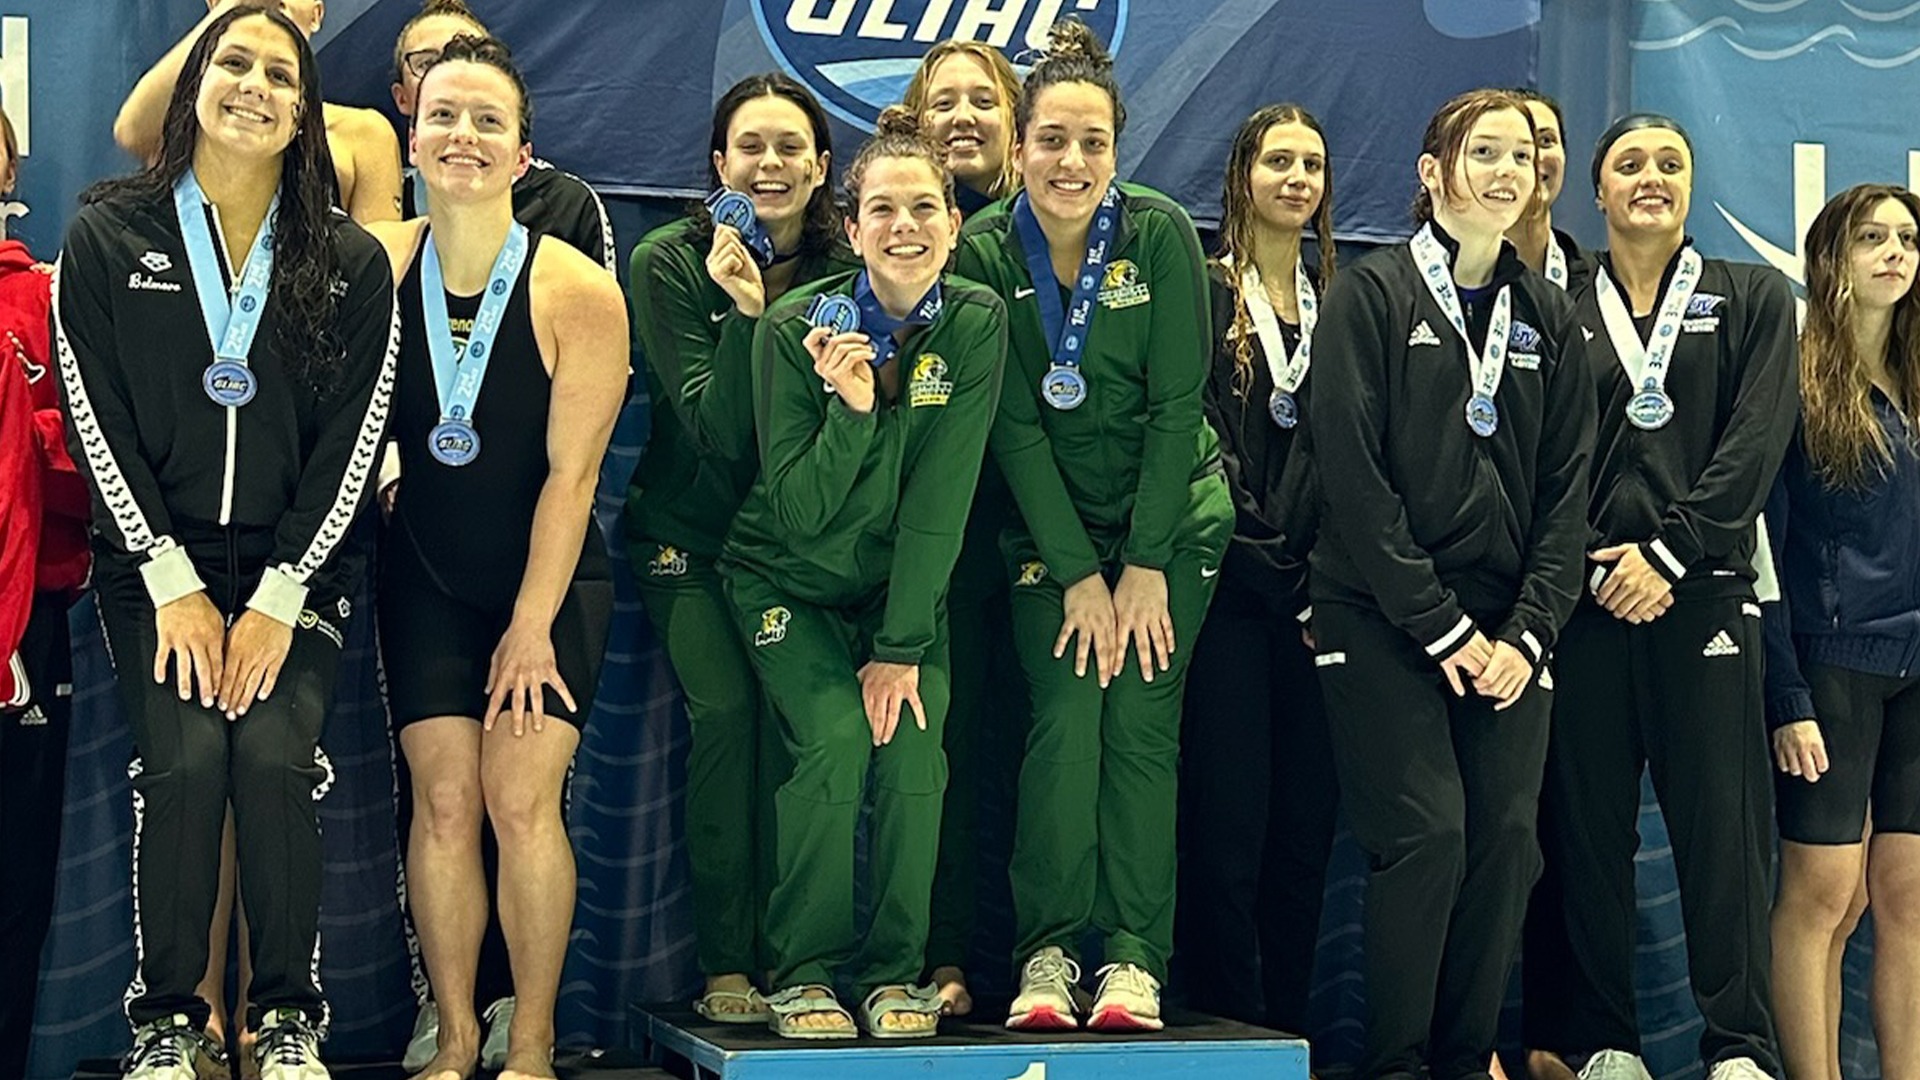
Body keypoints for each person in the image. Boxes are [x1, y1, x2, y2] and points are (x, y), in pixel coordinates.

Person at [55, 7, 397, 1077]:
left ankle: (288, 1021)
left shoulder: (347, 258)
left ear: (306, 112)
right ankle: (168, 1026)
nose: (254, 85)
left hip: (301, 570)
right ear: (197, 82)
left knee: (276, 757)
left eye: (280, 75)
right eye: (234, 64)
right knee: (188, 759)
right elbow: (91, 418)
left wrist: (279, 595)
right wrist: (172, 581)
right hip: (156, 568)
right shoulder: (109, 233)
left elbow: (355, 440)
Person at [1308, 88, 1593, 1080]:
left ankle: (1467, 1062)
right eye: (1484, 151)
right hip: (1381, 615)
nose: (1507, 171)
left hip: (1509, 631)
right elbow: (1351, 477)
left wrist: (1528, 636)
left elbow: (1568, 498)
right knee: (1428, 835)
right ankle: (1396, 1063)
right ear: (1432, 172)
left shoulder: (1551, 315)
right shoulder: (1372, 295)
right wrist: (1438, 626)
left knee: (1510, 842)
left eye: (1522, 155)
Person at [955, 19, 1233, 1033]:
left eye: (1093, 143)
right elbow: (1013, 425)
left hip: (1173, 523)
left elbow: (1175, 408)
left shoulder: (1157, 232)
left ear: (1119, 149)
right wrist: (1078, 569)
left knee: (1142, 724)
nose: (1071, 162)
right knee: (1067, 717)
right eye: (1052, 140)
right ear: (1020, 145)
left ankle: (1131, 962)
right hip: (1047, 534)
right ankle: (1048, 954)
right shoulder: (984, 250)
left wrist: (1146, 563)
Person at [366, 33, 625, 1080]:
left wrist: (528, 627)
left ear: (523, 154)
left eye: (488, 121)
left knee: (520, 804)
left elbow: (572, 479)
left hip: (551, 586)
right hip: (425, 571)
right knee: (442, 803)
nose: (463, 136)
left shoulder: (575, 292)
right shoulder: (374, 265)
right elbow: (347, 415)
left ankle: (531, 1041)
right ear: (411, 137)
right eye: (444, 116)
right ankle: (460, 1034)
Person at [717, 106, 1006, 1041]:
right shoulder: (798, 328)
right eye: (883, 210)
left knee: (916, 749)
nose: (906, 228)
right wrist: (851, 412)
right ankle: (801, 969)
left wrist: (902, 646)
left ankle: (893, 973)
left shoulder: (975, 323)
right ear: (851, 228)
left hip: (896, 596)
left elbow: (942, 498)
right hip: (784, 582)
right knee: (839, 739)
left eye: (926, 207)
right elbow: (797, 510)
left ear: (955, 224)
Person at [1534, 114, 1796, 1080]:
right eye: (1630, 165)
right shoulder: (1555, 309)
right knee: (1588, 836)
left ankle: (1740, 1048)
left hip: (1706, 597)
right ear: (1594, 194)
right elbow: (1537, 465)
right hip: (1590, 601)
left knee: (1725, 839)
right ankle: (1608, 1042)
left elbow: (1755, 446)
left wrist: (1673, 556)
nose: (1652, 179)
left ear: (1691, 186)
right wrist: (1593, 564)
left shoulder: (1753, 296)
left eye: (1671, 165)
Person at [625, 71, 851, 1026]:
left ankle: (799, 963)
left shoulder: (851, 271)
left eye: (790, 147)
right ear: (718, 164)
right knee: (726, 718)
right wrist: (750, 317)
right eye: (750, 147)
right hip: (686, 540)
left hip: (795, 553)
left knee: (804, 735)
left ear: (822, 166)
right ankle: (729, 963)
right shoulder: (671, 261)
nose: (770, 164)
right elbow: (718, 432)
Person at [1175, 102, 1338, 1037]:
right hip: (1231, 600)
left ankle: (1290, 1038)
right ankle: (1230, 1035)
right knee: (1227, 834)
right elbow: (1199, 447)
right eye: (1278, 160)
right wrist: (1274, 570)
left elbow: (1359, 457)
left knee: (1304, 839)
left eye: (1312, 165)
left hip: (1321, 610)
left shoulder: (1345, 304)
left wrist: (1319, 579)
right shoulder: (1202, 291)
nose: (1296, 179)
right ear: (1241, 175)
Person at [1763, 183, 1920, 1080]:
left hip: (1917, 668)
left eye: (1906, 238)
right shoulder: (1792, 378)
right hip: (1833, 664)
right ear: (1833, 258)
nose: (1894, 253)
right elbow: (1764, 550)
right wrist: (1786, 691)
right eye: (1872, 238)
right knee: (1827, 894)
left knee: (1906, 899)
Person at [897, 36, 1024, 1018]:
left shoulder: (1063, 229)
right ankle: (937, 957)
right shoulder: (888, 237)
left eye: (985, 101)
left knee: (1031, 760)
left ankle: (1038, 957)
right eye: (946, 102)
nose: (965, 117)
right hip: (923, 552)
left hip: (1037, 545)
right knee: (940, 759)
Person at [0, 101, 88, 1080]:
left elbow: (90, 479)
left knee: (13, 885)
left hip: (28, 628)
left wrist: (26, 446)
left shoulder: (46, 301)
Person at [115, 0, 403, 224]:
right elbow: (132, 132)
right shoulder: (189, 118)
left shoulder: (364, 132)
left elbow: (377, 268)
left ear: (316, 14)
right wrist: (234, 9)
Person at [390, 0, 613, 273]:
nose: (453, 71)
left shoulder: (566, 204)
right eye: (427, 62)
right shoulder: (384, 200)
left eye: (488, 119)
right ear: (401, 98)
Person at [1503, 89, 1592, 296]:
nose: (1533, 156)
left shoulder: (1603, 284)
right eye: (1517, 144)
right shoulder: (1441, 276)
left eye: (1545, 141)